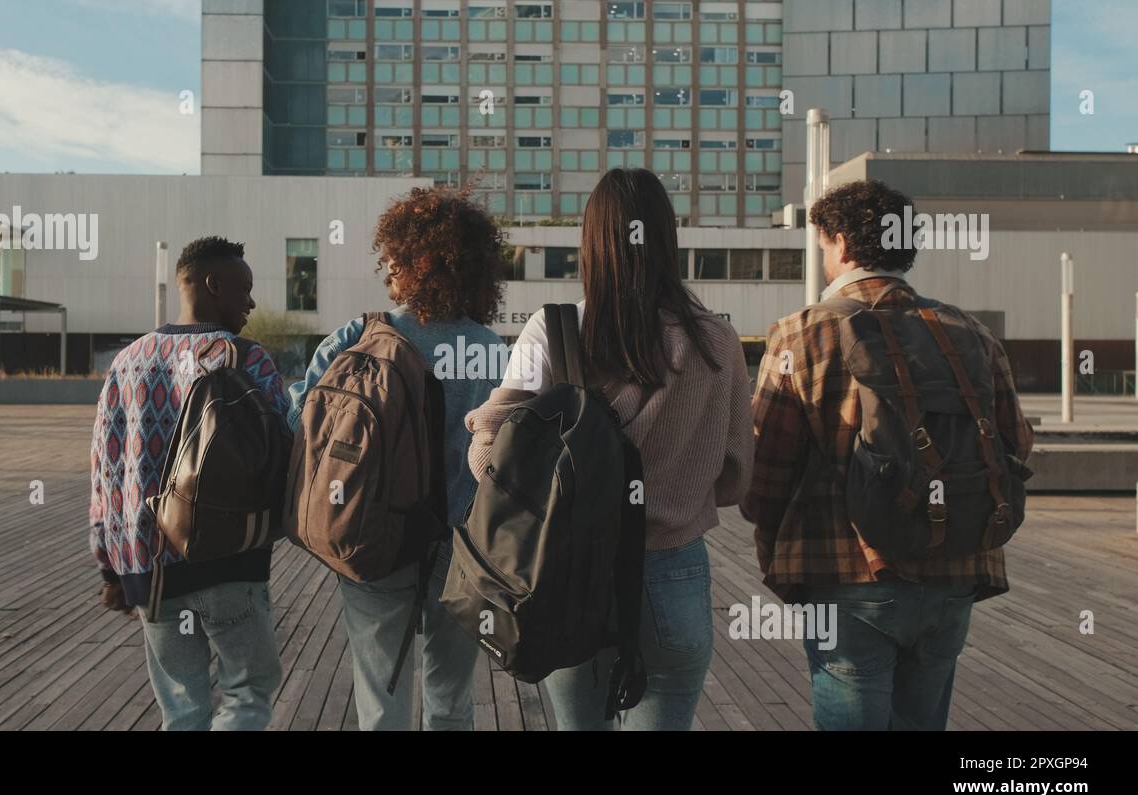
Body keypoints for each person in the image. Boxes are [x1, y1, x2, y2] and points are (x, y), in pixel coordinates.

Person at [465, 168, 754, 730]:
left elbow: (487, 464)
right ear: (667, 238)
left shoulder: (553, 332)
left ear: (590, 241)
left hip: (572, 577)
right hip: (674, 573)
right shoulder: (716, 341)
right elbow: (736, 477)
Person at [741, 180, 1034, 731]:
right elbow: (1017, 445)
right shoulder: (970, 333)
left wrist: (778, 551)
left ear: (843, 244)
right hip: (956, 569)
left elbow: (766, 471)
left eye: (823, 244)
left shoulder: (802, 334)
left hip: (847, 574)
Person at [287, 186, 508, 730]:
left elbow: (298, 427)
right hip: (466, 550)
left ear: (418, 260)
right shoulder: (495, 351)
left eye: (393, 256)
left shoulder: (357, 337)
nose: (386, 267)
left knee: (380, 698)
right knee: (450, 701)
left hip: (372, 538)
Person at [89, 236, 290, 731]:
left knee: (181, 708)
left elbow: (105, 473)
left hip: (151, 568)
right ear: (212, 284)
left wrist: (111, 570)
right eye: (244, 289)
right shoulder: (245, 358)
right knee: (248, 692)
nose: (251, 302)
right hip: (231, 557)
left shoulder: (127, 362)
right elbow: (288, 445)